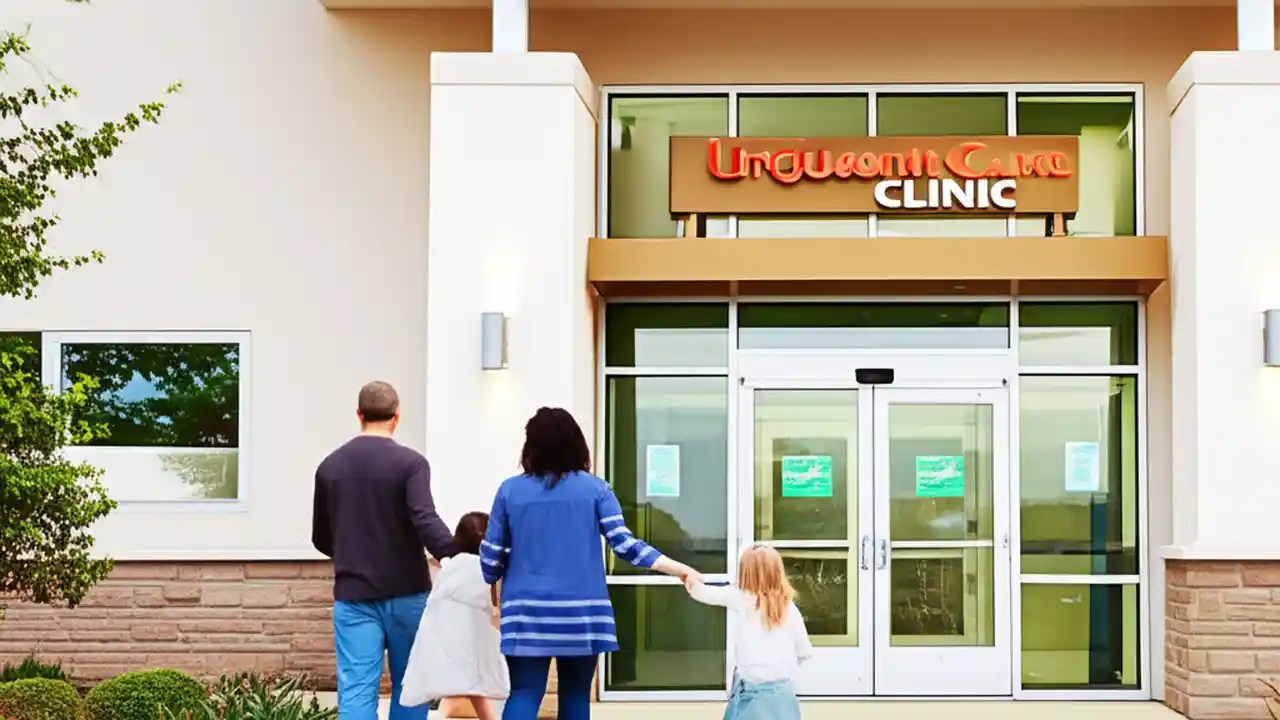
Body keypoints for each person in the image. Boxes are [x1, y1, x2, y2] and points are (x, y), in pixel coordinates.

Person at [479, 407, 701, 720]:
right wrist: (680, 568)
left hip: (525, 612)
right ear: (576, 443)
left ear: (531, 446)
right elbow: (625, 545)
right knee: (575, 696)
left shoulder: (510, 491)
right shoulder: (596, 489)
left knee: (525, 693)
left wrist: (492, 576)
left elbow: (491, 555)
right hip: (582, 611)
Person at [312, 381, 458, 720]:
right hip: (408, 594)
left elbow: (321, 538)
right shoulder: (411, 464)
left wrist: (353, 552)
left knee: (357, 690)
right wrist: (454, 553)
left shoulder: (329, 467)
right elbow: (425, 518)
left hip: (354, 596)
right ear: (397, 417)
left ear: (359, 414)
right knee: (411, 688)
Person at [685, 544, 812, 720]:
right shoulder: (789, 607)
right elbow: (804, 650)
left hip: (752, 692)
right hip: (782, 692)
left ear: (746, 573)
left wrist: (689, 579)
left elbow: (707, 593)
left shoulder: (742, 598)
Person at [401, 512, 509, 720]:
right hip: (473, 643)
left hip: (446, 641)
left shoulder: (451, 567)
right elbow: (490, 606)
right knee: (469, 684)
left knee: (467, 685)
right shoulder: (485, 570)